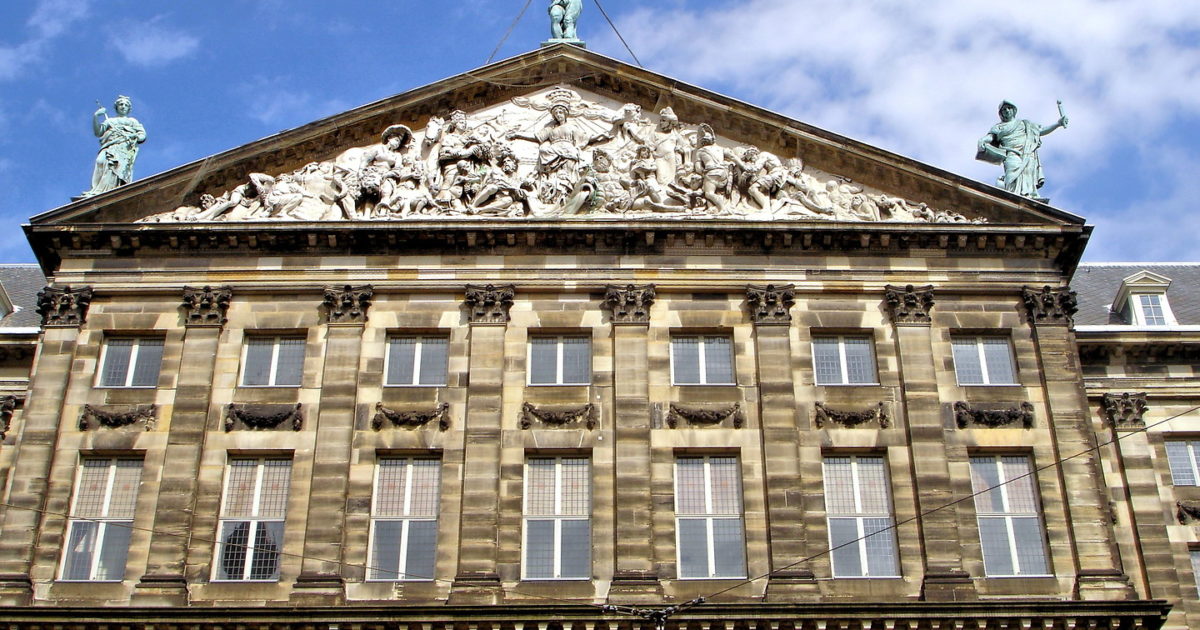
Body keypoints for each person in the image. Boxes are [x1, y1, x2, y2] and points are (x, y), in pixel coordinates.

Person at [977, 100, 1068, 199]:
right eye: (1004, 110)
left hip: (1027, 153)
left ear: (1013, 110)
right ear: (1001, 114)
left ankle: (1029, 195)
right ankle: (1012, 195)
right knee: (1012, 175)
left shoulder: (1025, 124)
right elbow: (991, 137)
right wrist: (982, 140)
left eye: (1009, 108)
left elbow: (1040, 131)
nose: (1006, 110)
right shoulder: (998, 127)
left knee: (1027, 174)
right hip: (1011, 153)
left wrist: (1058, 124)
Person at [81, 95, 146, 197]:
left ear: (129, 108)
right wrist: (96, 116)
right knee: (101, 161)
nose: (123, 106)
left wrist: (134, 136)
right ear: (116, 107)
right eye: (121, 104)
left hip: (123, 147)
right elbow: (98, 132)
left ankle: (112, 189)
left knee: (115, 167)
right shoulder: (109, 121)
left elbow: (142, 135)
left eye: (125, 105)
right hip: (109, 145)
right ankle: (98, 190)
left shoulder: (132, 121)